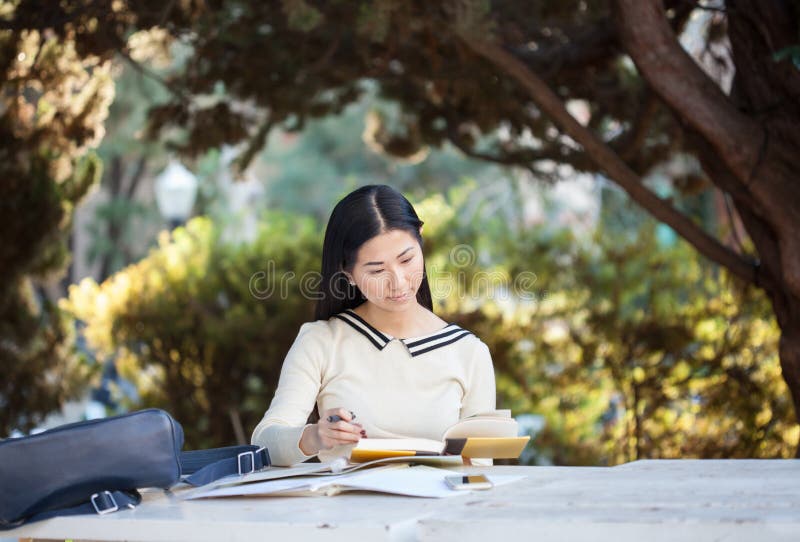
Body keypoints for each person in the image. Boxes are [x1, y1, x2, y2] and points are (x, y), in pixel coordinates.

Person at [251, 184, 496, 466]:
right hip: (350, 507)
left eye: (407, 259)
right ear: (348, 273)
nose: (399, 282)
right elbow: (264, 442)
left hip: (439, 507)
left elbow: (479, 468)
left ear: (421, 243)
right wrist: (314, 437)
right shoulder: (321, 341)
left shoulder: (469, 352)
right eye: (377, 270)